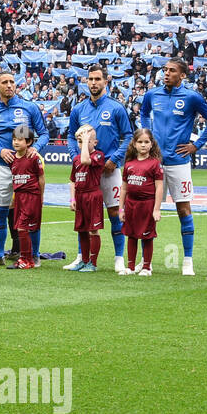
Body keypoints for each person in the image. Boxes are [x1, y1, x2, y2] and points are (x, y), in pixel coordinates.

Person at [139, 58, 207, 276]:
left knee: (183, 209)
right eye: (165, 70)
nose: (166, 73)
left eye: (172, 71)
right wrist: (147, 134)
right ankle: (146, 262)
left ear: (182, 75)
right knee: (146, 210)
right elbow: (144, 113)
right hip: (153, 162)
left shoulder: (192, 97)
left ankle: (188, 261)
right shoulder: (153, 94)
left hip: (179, 162)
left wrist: (197, 145)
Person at [67, 65, 133, 272]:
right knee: (83, 214)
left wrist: (114, 159)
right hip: (86, 171)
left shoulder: (116, 107)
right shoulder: (79, 109)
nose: (93, 83)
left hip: (108, 169)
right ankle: (81, 257)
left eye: (97, 79)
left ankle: (119, 258)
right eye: (90, 79)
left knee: (115, 212)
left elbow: (129, 135)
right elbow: (70, 135)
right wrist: (75, 157)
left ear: (106, 81)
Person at [0, 71, 48, 267]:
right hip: (2, 167)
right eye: (5, 82)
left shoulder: (29, 107)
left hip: (27, 168)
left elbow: (44, 133)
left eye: (12, 82)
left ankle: (34, 255)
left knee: (31, 213)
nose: (9, 85)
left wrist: (36, 147)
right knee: (0, 211)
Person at [119, 128, 164, 276]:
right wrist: (121, 209)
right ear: (134, 143)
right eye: (140, 142)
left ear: (152, 144)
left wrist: (156, 209)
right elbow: (124, 188)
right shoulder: (129, 164)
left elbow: (159, 187)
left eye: (146, 142)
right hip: (131, 205)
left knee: (147, 235)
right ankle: (130, 267)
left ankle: (146, 267)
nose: (143, 145)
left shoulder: (155, 164)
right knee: (131, 235)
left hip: (147, 205)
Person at [66, 124, 106, 273]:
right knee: (81, 230)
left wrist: (86, 139)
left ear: (95, 142)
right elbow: (72, 180)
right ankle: (83, 261)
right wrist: (72, 199)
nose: (82, 144)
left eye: (86, 141)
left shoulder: (98, 155)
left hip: (93, 195)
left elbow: (85, 160)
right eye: (80, 141)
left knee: (93, 230)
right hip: (80, 196)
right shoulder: (76, 159)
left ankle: (93, 263)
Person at [8, 125, 45, 271]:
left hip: (31, 196)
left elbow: (41, 178)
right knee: (20, 228)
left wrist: (41, 196)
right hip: (20, 197)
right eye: (14, 139)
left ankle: (26, 259)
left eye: (20, 140)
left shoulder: (33, 157)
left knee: (23, 228)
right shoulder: (11, 158)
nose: (16, 142)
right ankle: (27, 258)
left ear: (29, 142)